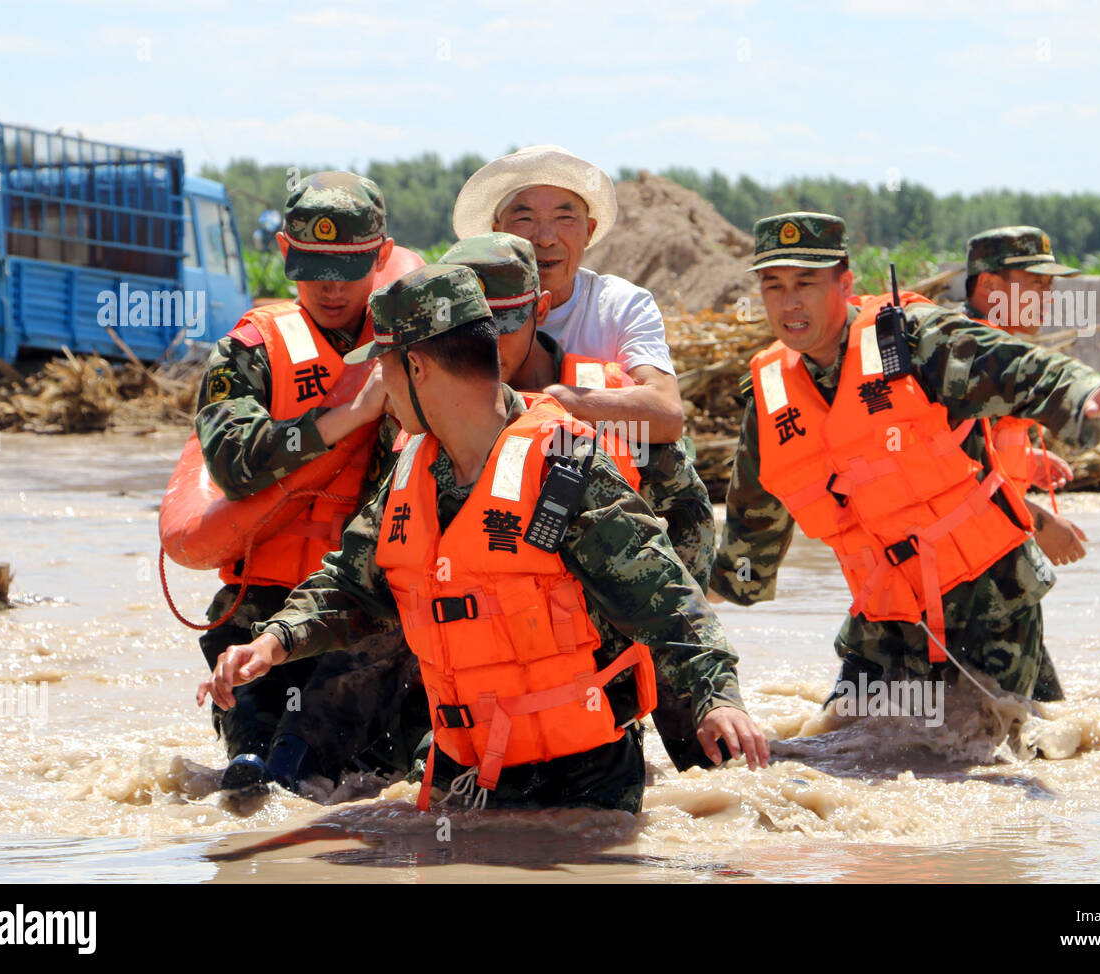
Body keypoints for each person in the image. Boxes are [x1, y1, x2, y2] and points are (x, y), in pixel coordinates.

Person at [199, 264, 769, 812]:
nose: (380, 387)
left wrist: (718, 699)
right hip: (462, 766)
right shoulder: (411, 466)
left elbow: (666, 600)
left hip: (581, 779)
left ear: (416, 369)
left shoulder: (562, 467)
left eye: (385, 369)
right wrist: (272, 643)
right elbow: (351, 584)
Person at [710, 212, 1100, 703]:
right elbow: (753, 524)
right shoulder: (772, 392)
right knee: (843, 744)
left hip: (987, 596)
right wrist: (693, 602)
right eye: (773, 286)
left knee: (1007, 747)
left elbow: (1008, 363)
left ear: (845, 283)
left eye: (806, 283)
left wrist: (1083, 394)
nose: (790, 302)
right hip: (885, 609)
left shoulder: (910, 340)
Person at [441, 232, 721, 770]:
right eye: (470, 332)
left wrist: (673, 656)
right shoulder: (431, 410)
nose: (488, 348)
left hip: (602, 644)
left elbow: (688, 523)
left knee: (699, 769)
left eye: (503, 327)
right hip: (486, 652)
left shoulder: (610, 411)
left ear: (538, 310)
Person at [192, 171, 398, 790]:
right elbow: (229, 458)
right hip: (260, 599)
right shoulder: (247, 351)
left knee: (334, 771)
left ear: (382, 257)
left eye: (350, 266)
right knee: (254, 777)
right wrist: (347, 418)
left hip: (364, 598)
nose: (331, 286)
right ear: (284, 251)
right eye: (312, 266)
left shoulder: (412, 341)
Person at [453, 144, 684, 444]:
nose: (546, 239)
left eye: (565, 219)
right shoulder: (468, 305)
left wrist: (556, 400)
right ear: (497, 231)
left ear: (588, 231)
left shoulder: (621, 306)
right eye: (525, 219)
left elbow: (666, 415)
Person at [964, 226, 1090, 567]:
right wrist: (1039, 522)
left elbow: (976, 442)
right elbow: (954, 474)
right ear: (989, 285)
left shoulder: (995, 347)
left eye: (1049, 287)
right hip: (966, 566)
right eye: (1036, 284)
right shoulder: (970, 356)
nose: (1047, 297)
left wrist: (1022, 457)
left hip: (988, 549)